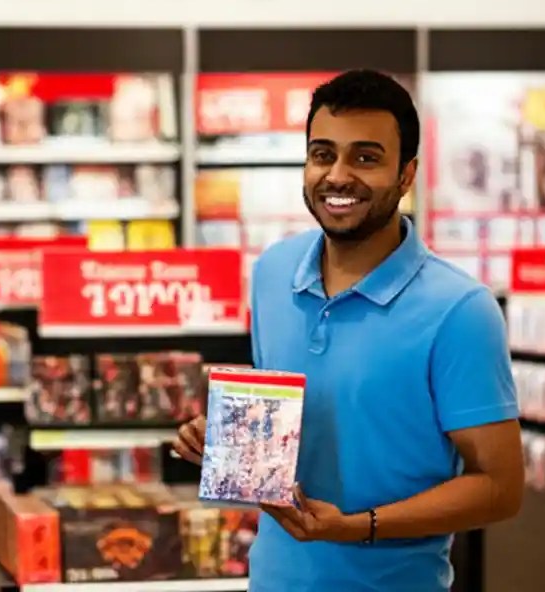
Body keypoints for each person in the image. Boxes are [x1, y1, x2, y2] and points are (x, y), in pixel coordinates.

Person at [173, 69, 524, 592]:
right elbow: (295, 426)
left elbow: (499, 487)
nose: (338, 175)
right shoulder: (273, 273)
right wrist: (225, 441)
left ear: (407, 175)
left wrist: (357, 527)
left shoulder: (460, 310)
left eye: (365, 157)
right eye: (322, 154)